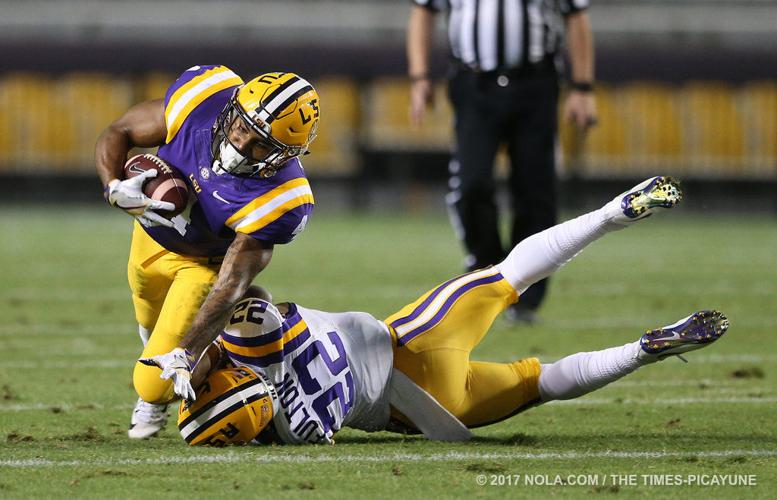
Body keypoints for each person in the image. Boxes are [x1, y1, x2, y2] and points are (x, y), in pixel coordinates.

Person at [144, 177, 729, 446]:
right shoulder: (254, 340)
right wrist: (191, 353)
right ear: (233, 383)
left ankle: (642, 351)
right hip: (411, 342)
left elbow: (240, 413)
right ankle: (612, 213)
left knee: (542, 383)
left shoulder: (295, 432)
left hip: (426, 411)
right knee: (510, 275)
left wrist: (219, 403)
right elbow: (246, 303)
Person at [94, 66, 321, 439]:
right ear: (231, 110)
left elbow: (231, 283)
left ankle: (212, 360)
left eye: (261, 144)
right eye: (242, 128)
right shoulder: (201, 98)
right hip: (148, 238)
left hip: (201, 266)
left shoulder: (283, 199)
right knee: (146, 318)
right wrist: (114, 186)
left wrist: (188, 350)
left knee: (153, 382)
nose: (241, 146)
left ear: (285, 155)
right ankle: (232, 338)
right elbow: (119, 131)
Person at [407, 0, 598, 324]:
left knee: (534, 190)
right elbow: (423, 11)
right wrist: (419, 76)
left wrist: (582, 87)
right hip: (474, 83)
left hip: (535, 83)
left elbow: (576, 16)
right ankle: (487, 273)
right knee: (471, 184)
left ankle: (526, 293)